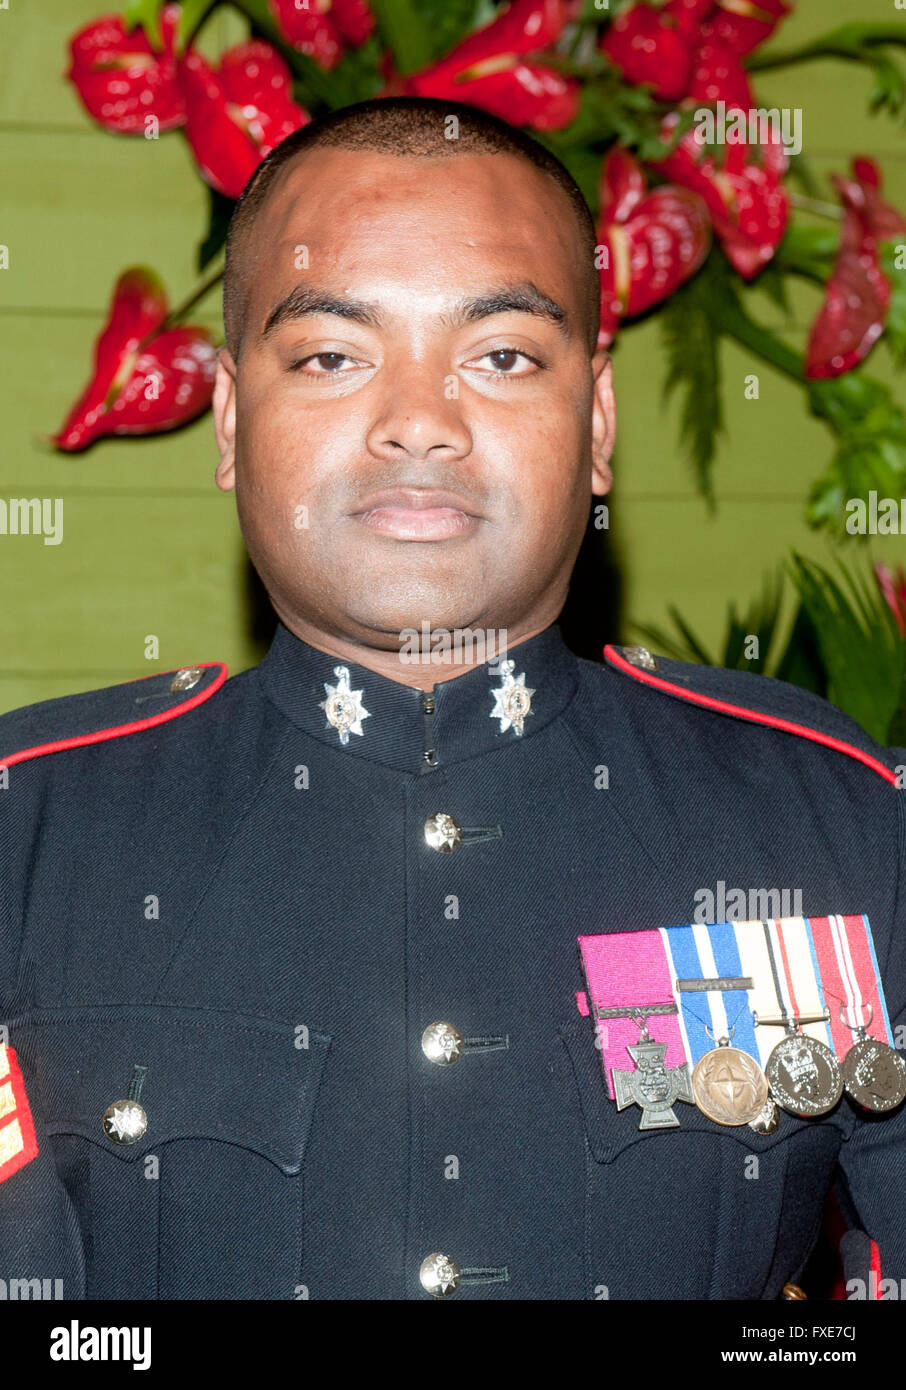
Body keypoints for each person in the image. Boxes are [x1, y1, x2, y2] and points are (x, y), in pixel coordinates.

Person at [0, 96, 903, 1302]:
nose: (419, 423)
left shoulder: (835, 820)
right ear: (229, 420)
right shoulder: (31, 828)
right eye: (332, 355)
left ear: (598, 425)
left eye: (502, 356)